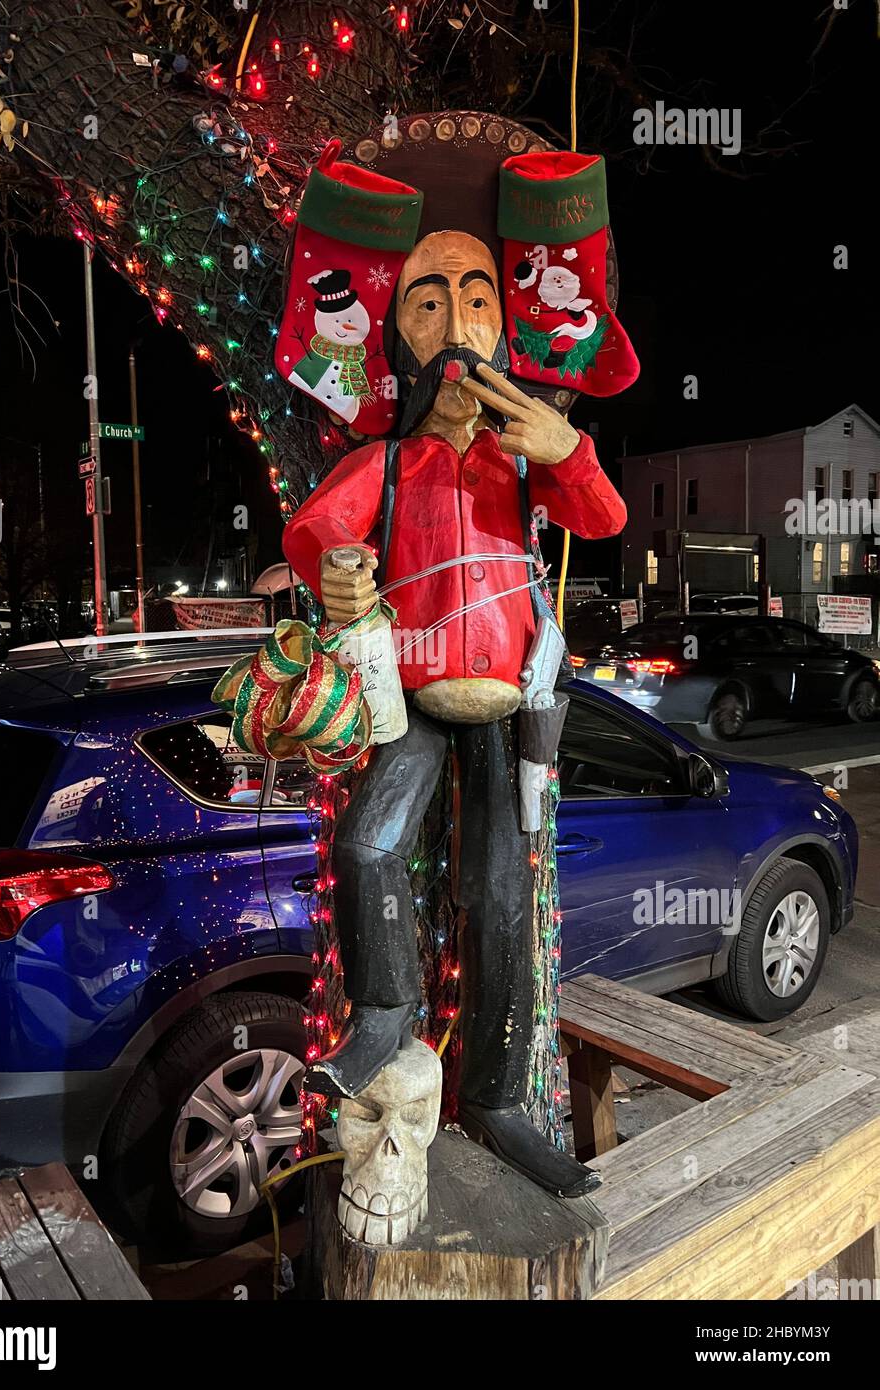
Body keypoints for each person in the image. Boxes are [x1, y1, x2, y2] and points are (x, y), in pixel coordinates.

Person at [283, 229, 626, 1197]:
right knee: (366, 846)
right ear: (399, 338)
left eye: (478, 300)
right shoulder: (388, 467)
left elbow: (603, 518)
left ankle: (498, 1096)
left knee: (502, 895)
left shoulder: (523, 466)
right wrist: (342, 575)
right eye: (429, 302)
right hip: (416, 698)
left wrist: (571, 447)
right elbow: (314, 531)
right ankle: (387, 1004)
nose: (458, 325)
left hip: (508, 702)